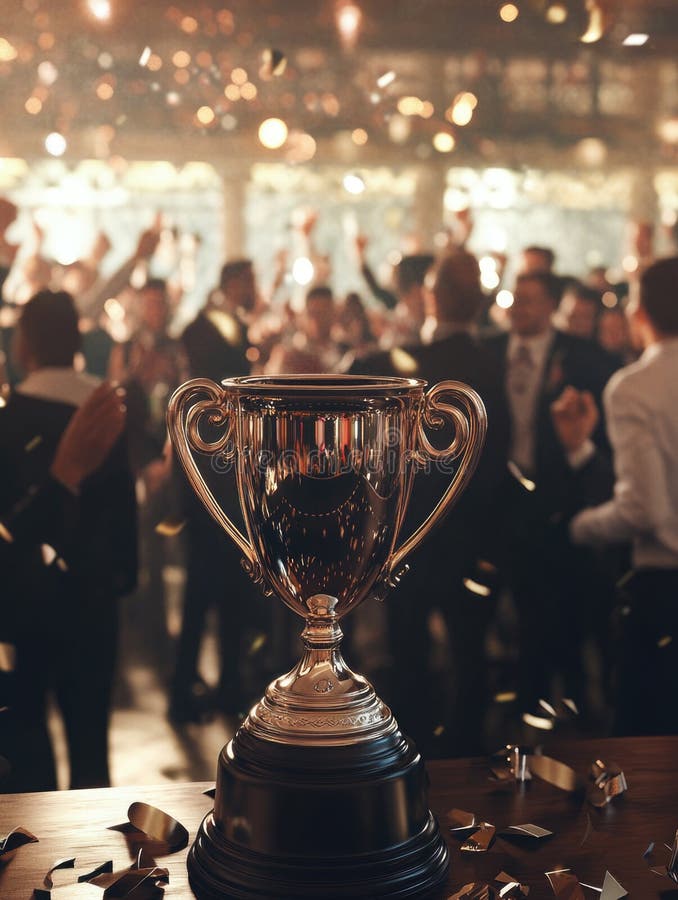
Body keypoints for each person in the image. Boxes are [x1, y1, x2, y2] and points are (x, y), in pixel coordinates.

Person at [352, 250, 510, 756]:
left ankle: (409, 753)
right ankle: (469, 752)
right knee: (469, 652)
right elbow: (502, 454)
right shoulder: (493, 365)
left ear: (431, 296)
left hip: (410, 533)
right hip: (477, 532)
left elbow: (358, 373)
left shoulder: (404, 367)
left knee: (409, 650)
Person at [0, 291, 136, 791]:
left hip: (24, 604)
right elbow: (125, 509)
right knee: (91, 747)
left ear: (26, 344)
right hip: (93, 598)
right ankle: (96, 858)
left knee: (26, 738)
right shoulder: (103, 406)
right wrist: (122, 578)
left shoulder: (9, 416)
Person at [484, 271, 620, 721]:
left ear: (549, 306)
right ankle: (519, 703)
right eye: (514, 300)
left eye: (528, 301)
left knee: (561, 607)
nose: (518, 309)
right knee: (513, 607)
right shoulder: (489, 352)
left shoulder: (583, 358)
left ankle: (567, 705)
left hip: (560, 499)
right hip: (502, 500)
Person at [552, 257, 678, 736]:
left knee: (648, 751)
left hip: (664, 588)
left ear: (639, 313)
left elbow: (644, 509)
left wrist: (580, 528)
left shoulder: (634, 388)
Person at [170, 261, 261, 723]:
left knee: (222, 592)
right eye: (249, 281)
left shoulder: (226, 325)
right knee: (208, 590)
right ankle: (195, 689)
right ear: (231, 285)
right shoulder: (212, 327)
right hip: (212, 477)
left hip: (221, 474)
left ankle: (219, 686)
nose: (255, 289)